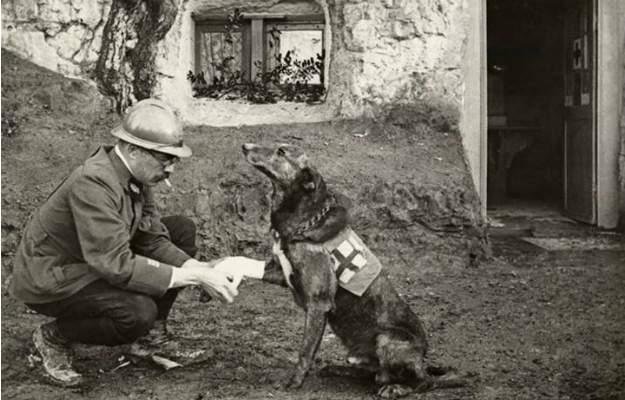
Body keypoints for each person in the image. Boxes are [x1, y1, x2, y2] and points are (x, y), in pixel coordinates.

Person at [9, 98, 245, 387]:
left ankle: (151, 340)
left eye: (174, 160)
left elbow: (151, 238)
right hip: (53, 276)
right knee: (137, 313)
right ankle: (53, 336)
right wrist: (195, 276)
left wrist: (200, 267)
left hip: (92, 261)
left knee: (180, 231)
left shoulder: (135, 176)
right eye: (165, 158)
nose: (170, 169)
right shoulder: (93, 181)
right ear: (133, 149)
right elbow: (115, 265)